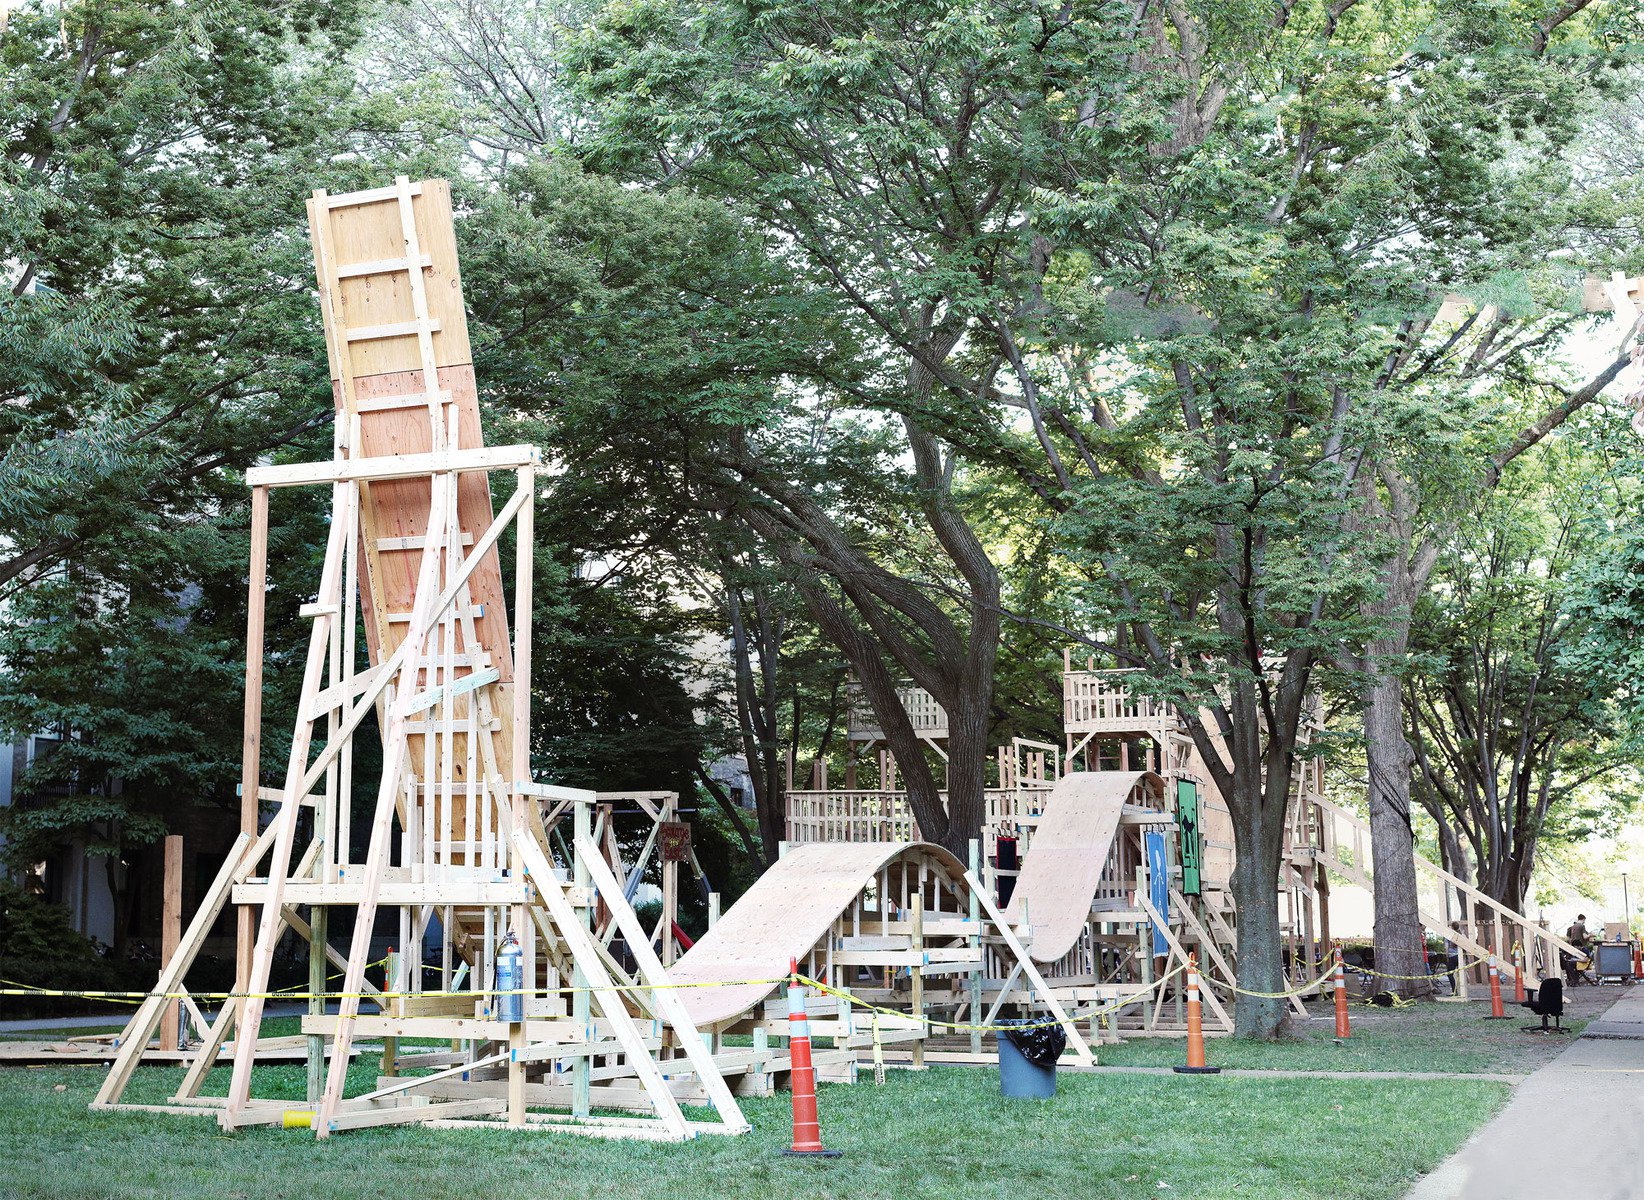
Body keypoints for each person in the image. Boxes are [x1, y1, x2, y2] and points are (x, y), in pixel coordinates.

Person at [1564, 913, 1590, 985]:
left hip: (1575, 952)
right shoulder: (1582, 926)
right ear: (1583, 919)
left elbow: (1568, 939)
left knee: (1568, 963)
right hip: (1579, 951)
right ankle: (1574, 979)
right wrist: (1590, 935)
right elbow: (1585, 937)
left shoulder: (1570, 928)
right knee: (1569, 963)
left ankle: (1572, 979)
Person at [1445, 921, 1463, 994]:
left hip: (1452, 956)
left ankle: (1454, 991)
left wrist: (1447, 957)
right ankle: (1462, 991)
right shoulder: (1461, 934)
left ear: (1452, 927)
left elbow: (1446, 948)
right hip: (1459, 956)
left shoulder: (1448, 936)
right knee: (1460, 973)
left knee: (1449, 974)